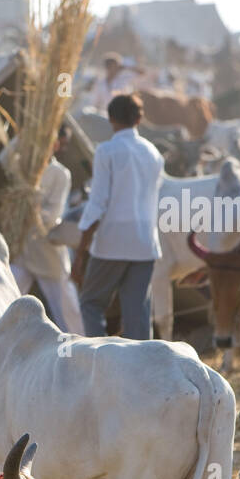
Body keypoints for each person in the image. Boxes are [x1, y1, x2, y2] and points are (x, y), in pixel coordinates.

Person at [73, 93, 164, 340]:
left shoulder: (107, 151)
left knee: (91, 303)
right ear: (138, 118)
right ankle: (141, 367)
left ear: (111, 119)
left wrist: (81, 251)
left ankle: (98, 357)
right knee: (138, 314)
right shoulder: (153, 153)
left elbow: (97, 203)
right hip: (145, 243)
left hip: (112, 242)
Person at [1, 125, 83, 334]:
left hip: (48, 253)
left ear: (55, 145)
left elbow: (52, 216)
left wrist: (31, 200)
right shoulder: (25, 168)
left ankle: (80, 349)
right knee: (5, 299)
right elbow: (4, 159)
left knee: (67, 314)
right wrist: (21, 138)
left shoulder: (60, 174)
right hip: (24, 250)